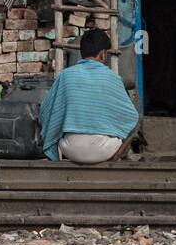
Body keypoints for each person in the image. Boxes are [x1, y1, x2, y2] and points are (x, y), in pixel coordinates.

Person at [39, 28, 140, 163]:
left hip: (70, 149)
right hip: (103, 151)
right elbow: (131, 117)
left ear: (82, 53)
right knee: (136, 125)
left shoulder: (65, 75)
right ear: (103, 54)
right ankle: (114, 160)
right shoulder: (113, 78)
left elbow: (45, 111)